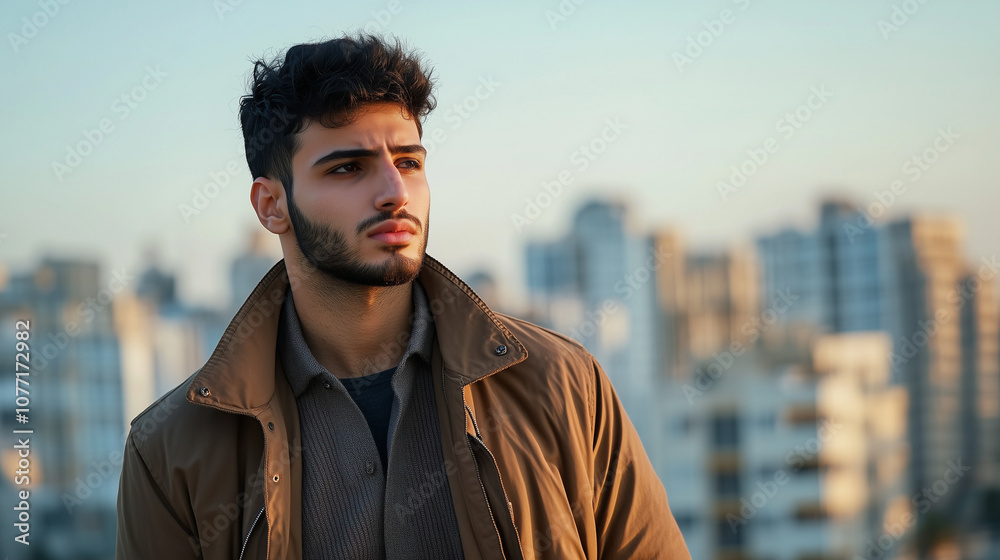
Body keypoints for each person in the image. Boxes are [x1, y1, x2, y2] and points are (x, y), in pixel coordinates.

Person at [115, 32, 691, 560]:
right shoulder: (171, 449)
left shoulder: (564, 386)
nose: (395, 192)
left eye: (409, 162)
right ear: (271, 205)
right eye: (347, 169)